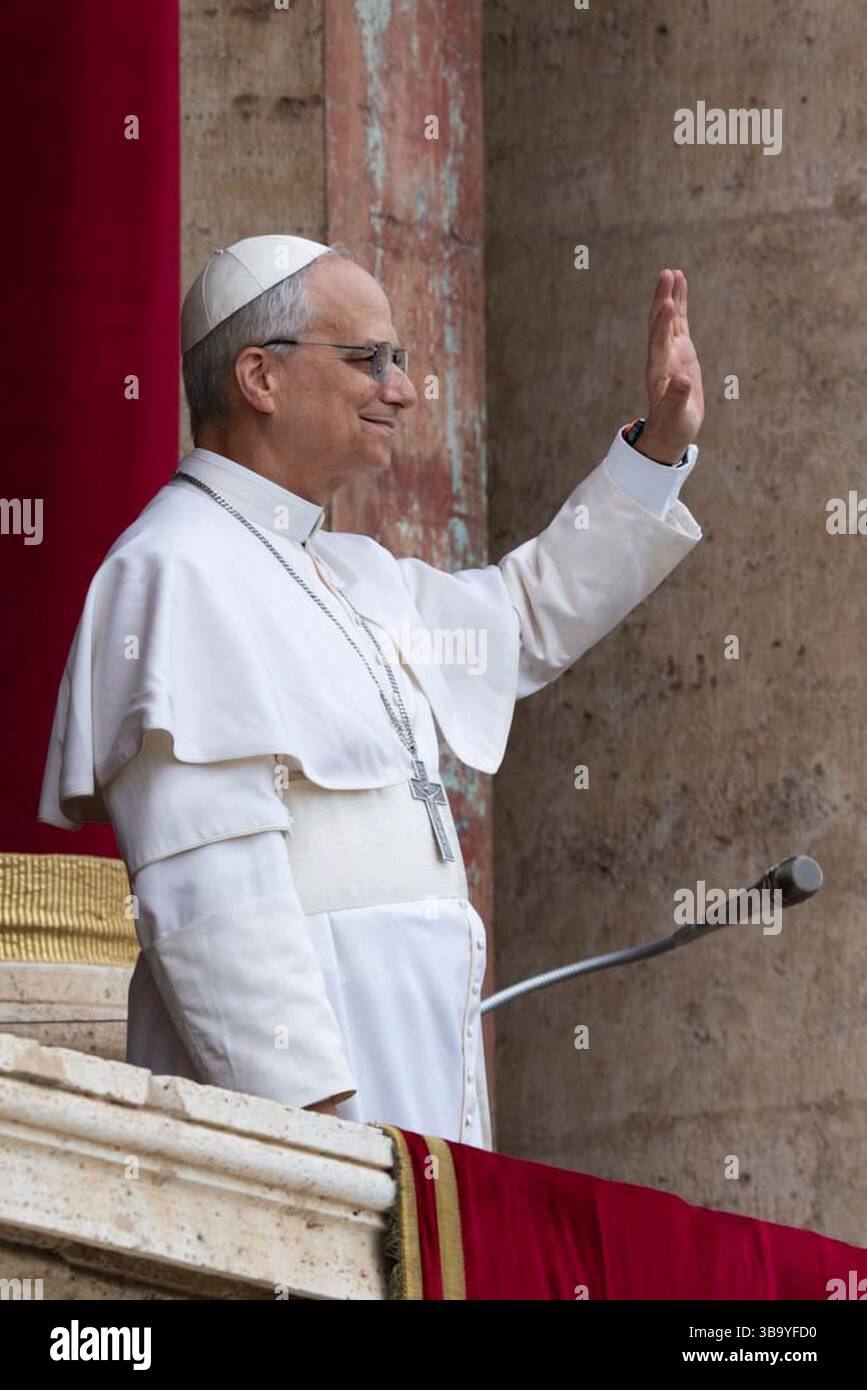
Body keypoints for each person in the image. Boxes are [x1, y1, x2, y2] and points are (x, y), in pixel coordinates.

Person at [38, 234, 704, 1149]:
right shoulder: (174, 570)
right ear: (260, 378)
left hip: (414, 1081)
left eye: (400, 359)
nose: (402, 388)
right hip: (317, 1117)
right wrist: (313, 1136)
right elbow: (214, 903)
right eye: (368, 360)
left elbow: (524, 615)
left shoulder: (353, 572)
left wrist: (655, 452)